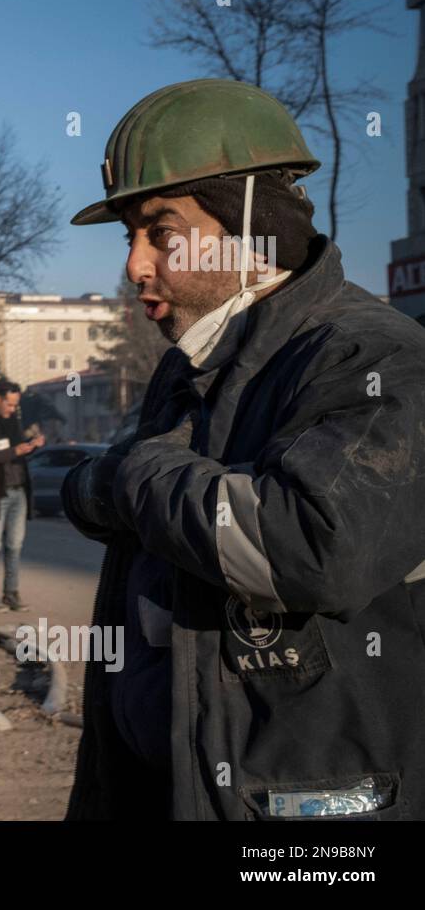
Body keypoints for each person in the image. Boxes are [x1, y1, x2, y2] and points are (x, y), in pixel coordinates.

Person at [61, 79, 425, 819]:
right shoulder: (192, 366)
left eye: (160, 231)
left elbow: (313, 546)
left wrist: (134, 474)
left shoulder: (371, 356)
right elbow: (134, 510)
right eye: (129, 237)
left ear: (254, 224)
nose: (135, 266)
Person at [0, 381, 44, 612]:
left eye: (16, 405)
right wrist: (14, 451)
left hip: (19, 489)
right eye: (9, 404)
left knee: (15, 544)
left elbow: (19, 451)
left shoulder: (15, 421)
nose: (13, 409)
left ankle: (11, 592)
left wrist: (32, 445)